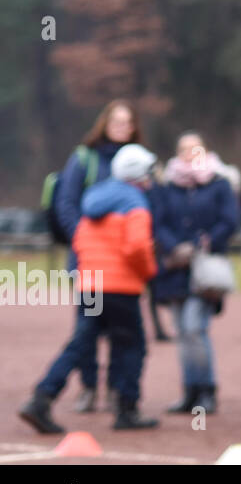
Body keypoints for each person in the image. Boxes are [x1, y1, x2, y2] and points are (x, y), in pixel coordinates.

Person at [20, 144, 161, 433]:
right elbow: (137, 246)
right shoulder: (135, 201)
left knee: (81, 342)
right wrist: (148, 271)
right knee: (132, 344)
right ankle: (127, 409)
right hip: (121, 287)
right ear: (138, 175)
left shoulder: (94, 198)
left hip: (91, 284)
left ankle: (42, 398)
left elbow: (80, 241)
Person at [51, 99, 146, 412]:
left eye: (127, 121)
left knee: (120, 331)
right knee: (87, 328)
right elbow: (66, 204)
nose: (121, 127)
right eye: (116, 121)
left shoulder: (137, 160)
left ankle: (118, 390)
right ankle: (89, 386)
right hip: (89, 262)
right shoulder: (84, 159)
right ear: (104, 123)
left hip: (123, 267)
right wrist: (83, 241)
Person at [150, 131, 241, 416]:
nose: (190, 154)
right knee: (182, 331)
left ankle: (207, 389)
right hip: (175, 269)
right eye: (185, 149)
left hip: (206, 270)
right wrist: (174, 247)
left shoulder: (219, 184)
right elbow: (158, 221)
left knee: (194, 327)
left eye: (195, 149)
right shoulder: (168, 187)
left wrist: (205, 242)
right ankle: (189, 392)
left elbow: (231, 220)